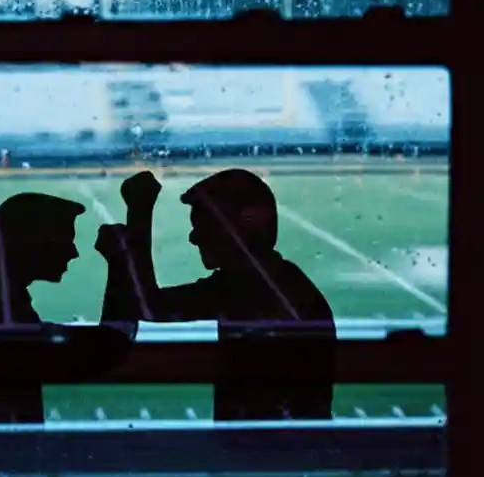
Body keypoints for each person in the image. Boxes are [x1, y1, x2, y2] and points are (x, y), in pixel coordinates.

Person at [97, 169, 336, 420]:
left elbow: (147, 307)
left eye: (204, 226)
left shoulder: (250, 288)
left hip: (267, 450)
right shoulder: (276, 281)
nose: (194, 238)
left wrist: (139, 213)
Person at [0, 192, 130, 425]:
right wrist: (121, 263)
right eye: (64, 239)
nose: (73, 252)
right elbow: (106, 348)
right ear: (34, 244)